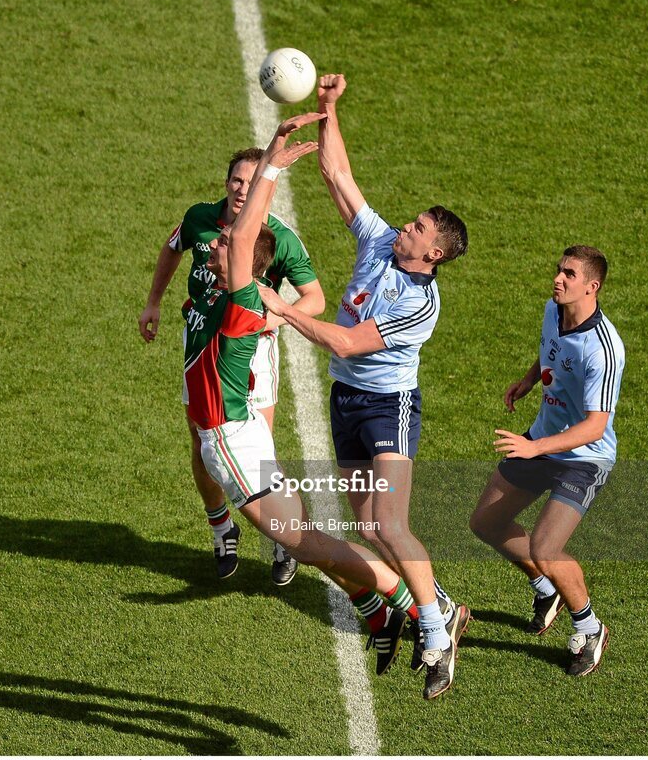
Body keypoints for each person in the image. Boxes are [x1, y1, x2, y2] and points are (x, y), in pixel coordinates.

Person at [257, 74, 470, 700]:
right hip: (345, 399)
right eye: (411, 220)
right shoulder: (380, 244)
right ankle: (446, 608)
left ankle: (434, 632)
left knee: (392, 524)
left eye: (418, 228)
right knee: (370, 531)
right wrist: (328, 110)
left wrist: (283, 306)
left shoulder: (419, 302)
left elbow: (348, 342)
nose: (405, 225)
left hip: (387, 408)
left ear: (432, 254)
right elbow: (338, 176)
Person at [188, 112, 419, 660]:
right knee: (310, 542)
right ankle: (377, 610)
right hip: (239, 434)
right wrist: (269, 156)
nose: (216, 247)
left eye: (223, 247)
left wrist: (271, 164)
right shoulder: (210, 292)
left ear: (245, 264)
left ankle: (413, 602)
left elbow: (246, 232)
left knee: (305, 542)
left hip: (232, 444)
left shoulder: (242, 304)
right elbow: (237, 238)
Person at [139, 144, 325, 585]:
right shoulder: (201, 218)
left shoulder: (279, 239)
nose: (242, 189)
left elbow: (315, 298)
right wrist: (153, 303)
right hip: (202, 342)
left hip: (250, 350)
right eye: (236, 180)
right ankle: (222, 527)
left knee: (260, 454)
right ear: (226, 183)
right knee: (203, 445)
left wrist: (268, 318)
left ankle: (285, 537)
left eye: (251, 181)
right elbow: (171, 249)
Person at [469, 245, 625, 677]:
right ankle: (545, 588)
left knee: (545, 547)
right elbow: (549, 351)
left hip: (583, 458)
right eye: (559, 270)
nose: (558, 279)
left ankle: (589, 628)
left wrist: (536, 447)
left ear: (591, 287)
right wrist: (527, 380)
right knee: (486, 523)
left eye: (569, 275)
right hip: (541, 440)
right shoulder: (553, 310)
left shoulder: (603, 349)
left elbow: (595, 426)